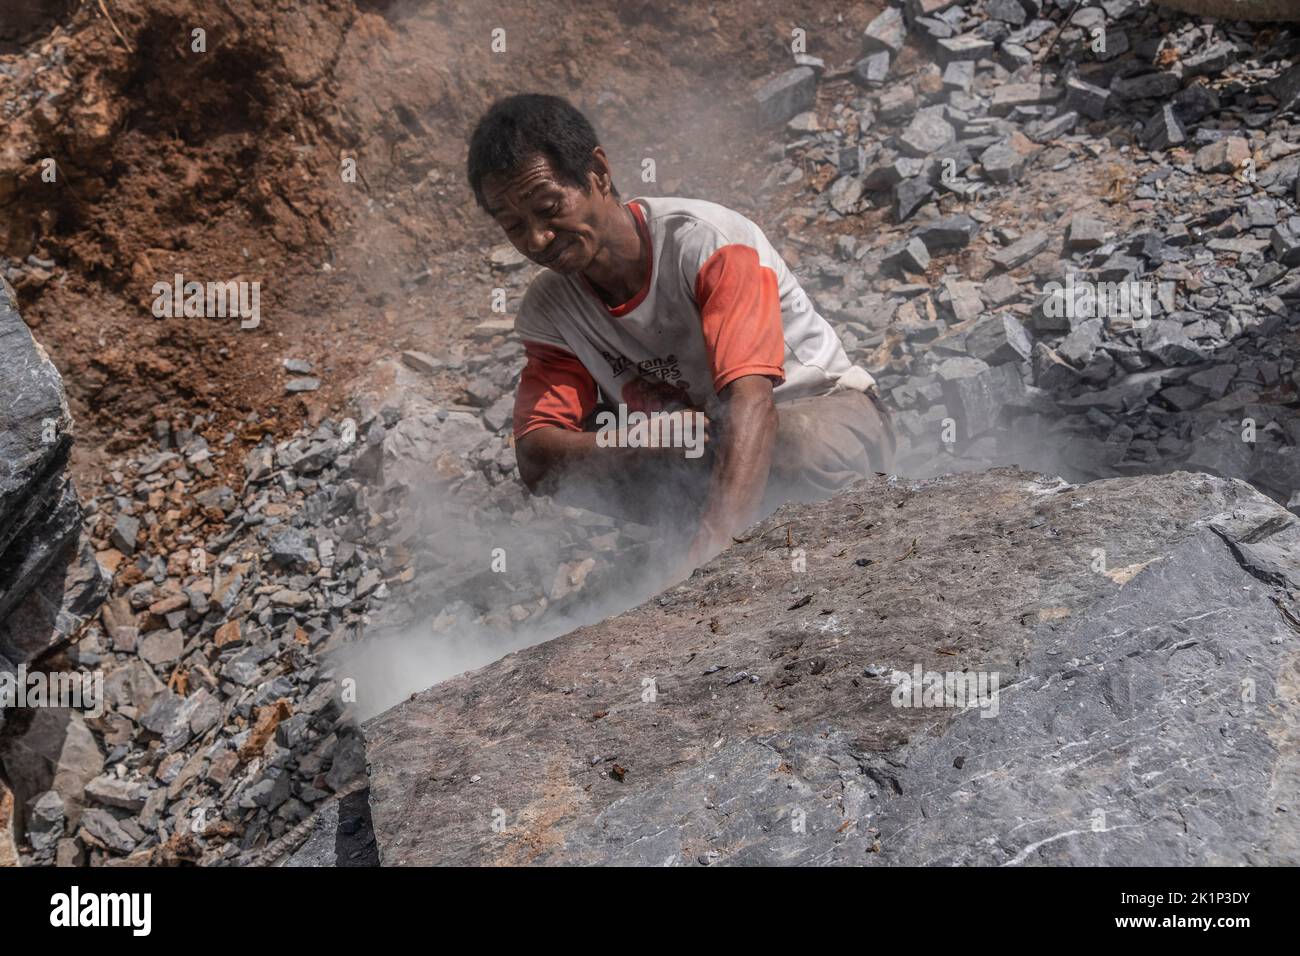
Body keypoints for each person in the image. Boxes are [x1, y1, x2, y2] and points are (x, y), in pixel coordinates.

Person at [467, 93, 895, 571]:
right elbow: (537, 457)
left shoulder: (707, 242)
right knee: (596, 461)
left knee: (782, 444)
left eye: (548, 208)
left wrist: (711, 563)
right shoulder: (550, 309)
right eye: (513, 226)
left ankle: (752, 548)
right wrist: (643, 440)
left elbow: (750, 403)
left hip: (817, 416)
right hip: (705, 447)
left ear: (598, 172)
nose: (537, 239)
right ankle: (716, 537)